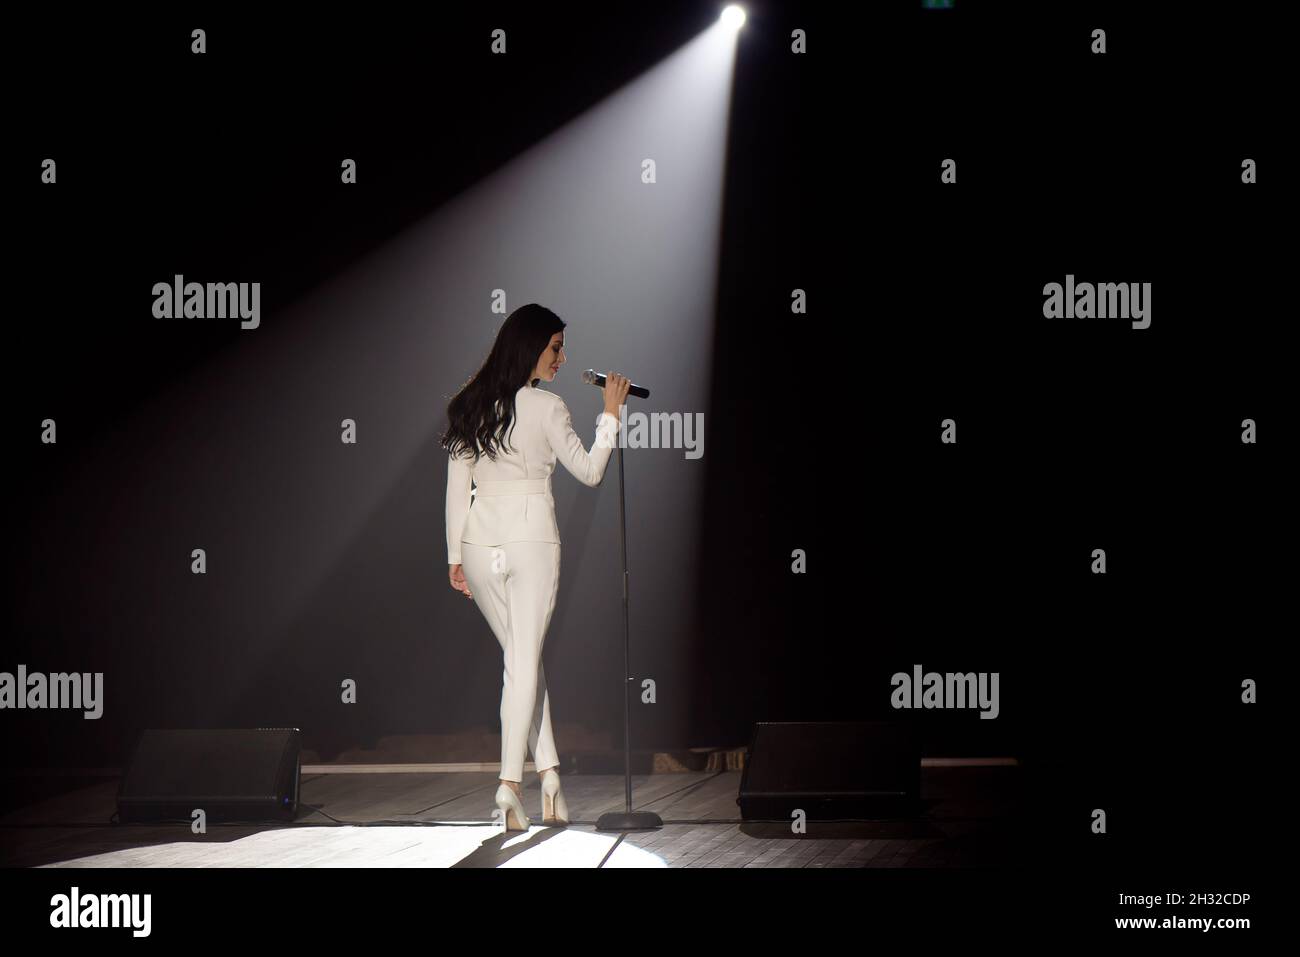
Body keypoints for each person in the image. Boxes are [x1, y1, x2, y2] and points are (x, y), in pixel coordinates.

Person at [441, 303, 631, 831]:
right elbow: (591, 472)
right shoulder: (547, 407)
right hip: (529, 540)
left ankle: (548, 774)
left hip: (480, 543)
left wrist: (456, 556)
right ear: (529, 346)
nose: (562, 358)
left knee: (522, 661)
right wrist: (611, 415)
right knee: (521, 662)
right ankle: (508, 784)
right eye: (555, 346)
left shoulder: (469, 404)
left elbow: (458, 489)